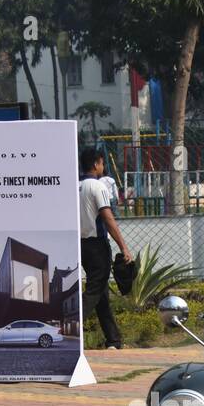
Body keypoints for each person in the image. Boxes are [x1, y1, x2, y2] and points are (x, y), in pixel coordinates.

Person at [78, 147, 132, 350]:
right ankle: (71, 325)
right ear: (95, 164)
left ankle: (113, 340)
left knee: (101, 293)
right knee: (94, 289)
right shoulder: (97, 186)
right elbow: (107, 217)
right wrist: (123, 247)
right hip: (96, 244)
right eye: (101, 163)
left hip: (80, 245)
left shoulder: (76, 185)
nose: (103, 167)